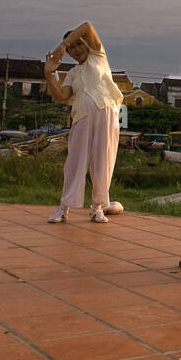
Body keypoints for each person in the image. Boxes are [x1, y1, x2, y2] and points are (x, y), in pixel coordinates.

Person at [43, 21, 124, 223]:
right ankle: (64, 207)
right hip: (81, 117)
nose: (76, 49)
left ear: (86, 44)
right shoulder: (71, 73)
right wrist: (48, 74)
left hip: (106, 113)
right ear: (69, 54)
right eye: (71, 48)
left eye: (78, 44)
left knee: (102, 160)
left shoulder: (99, 56)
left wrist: (61, 45)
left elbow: (87, 26)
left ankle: (97, 207)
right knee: (75, 161)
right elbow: (61, 95)